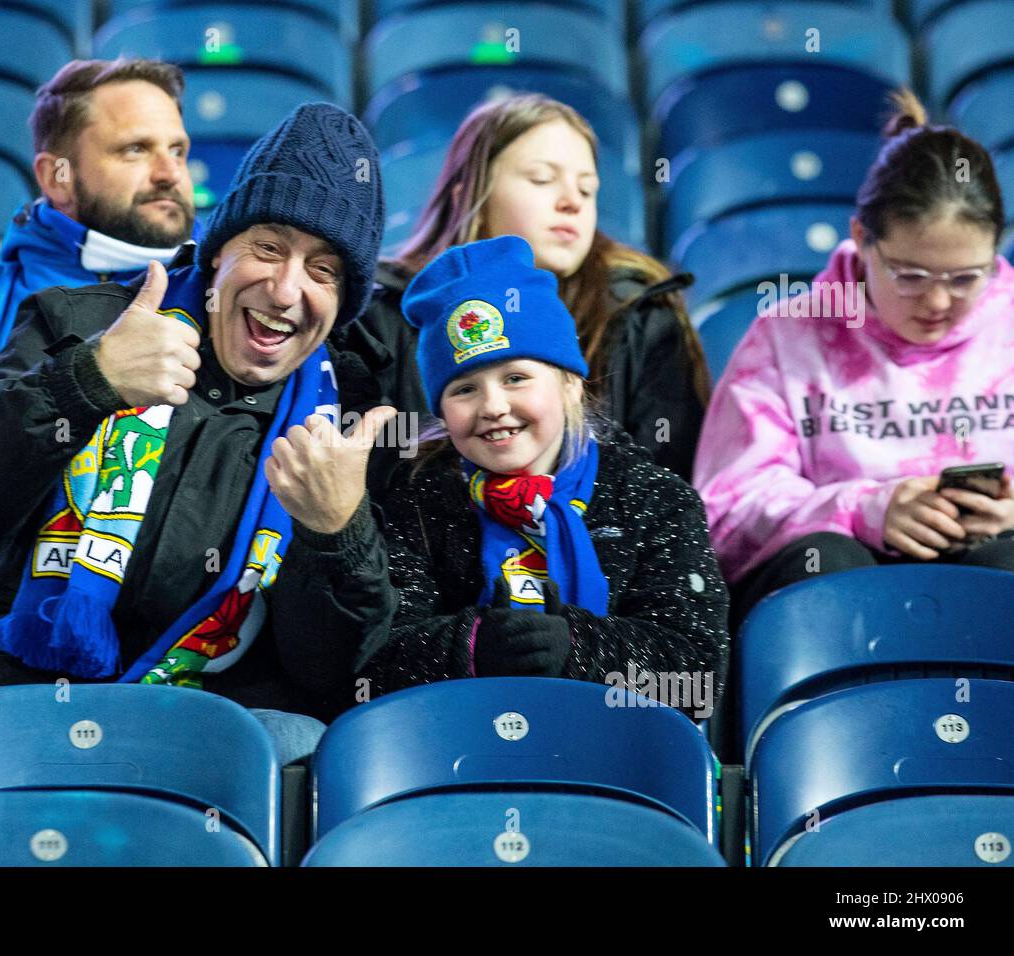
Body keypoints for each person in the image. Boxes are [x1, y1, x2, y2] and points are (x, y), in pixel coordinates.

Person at [0, 103, 390, 765]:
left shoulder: (344, 423)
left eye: (323, 270)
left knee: (304, 752)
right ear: (218, 256)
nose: (285, 289)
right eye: (268, 248)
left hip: (213, 715)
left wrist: (336, 534)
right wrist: (85, 380)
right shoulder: (84, 322)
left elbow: (330, 673)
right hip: (15, 683)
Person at [270, 235, 729, 720]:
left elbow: (697, 677)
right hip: (461, 758)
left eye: (516, 378)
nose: (492, 406)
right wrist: (475, 645)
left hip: (622, 764)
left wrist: (573, 646)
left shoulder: (655, 499)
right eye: (465, 388)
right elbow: (373, 667)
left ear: (570, 383)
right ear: (442, 411)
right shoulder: (421, 502)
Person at [695, 89, 1014, 635]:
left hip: (988, 560)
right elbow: (725, 511)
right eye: (910, 276)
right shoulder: (789, 334)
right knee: (829, 562)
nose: (938, 303)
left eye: (965, 279)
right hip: (844, 586)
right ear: (862, 238)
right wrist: (867, 509)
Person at [0, 58, 196, 577]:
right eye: (136, 149)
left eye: (178, 150)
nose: (169, 173)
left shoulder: (229, 297)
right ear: (58, 176)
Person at [348, 93, 711, 482]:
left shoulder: (639, 314)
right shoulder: (377, 316)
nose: (573, 202)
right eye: (542, 179)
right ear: (469, 194)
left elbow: (667, 497)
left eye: (587, 189)